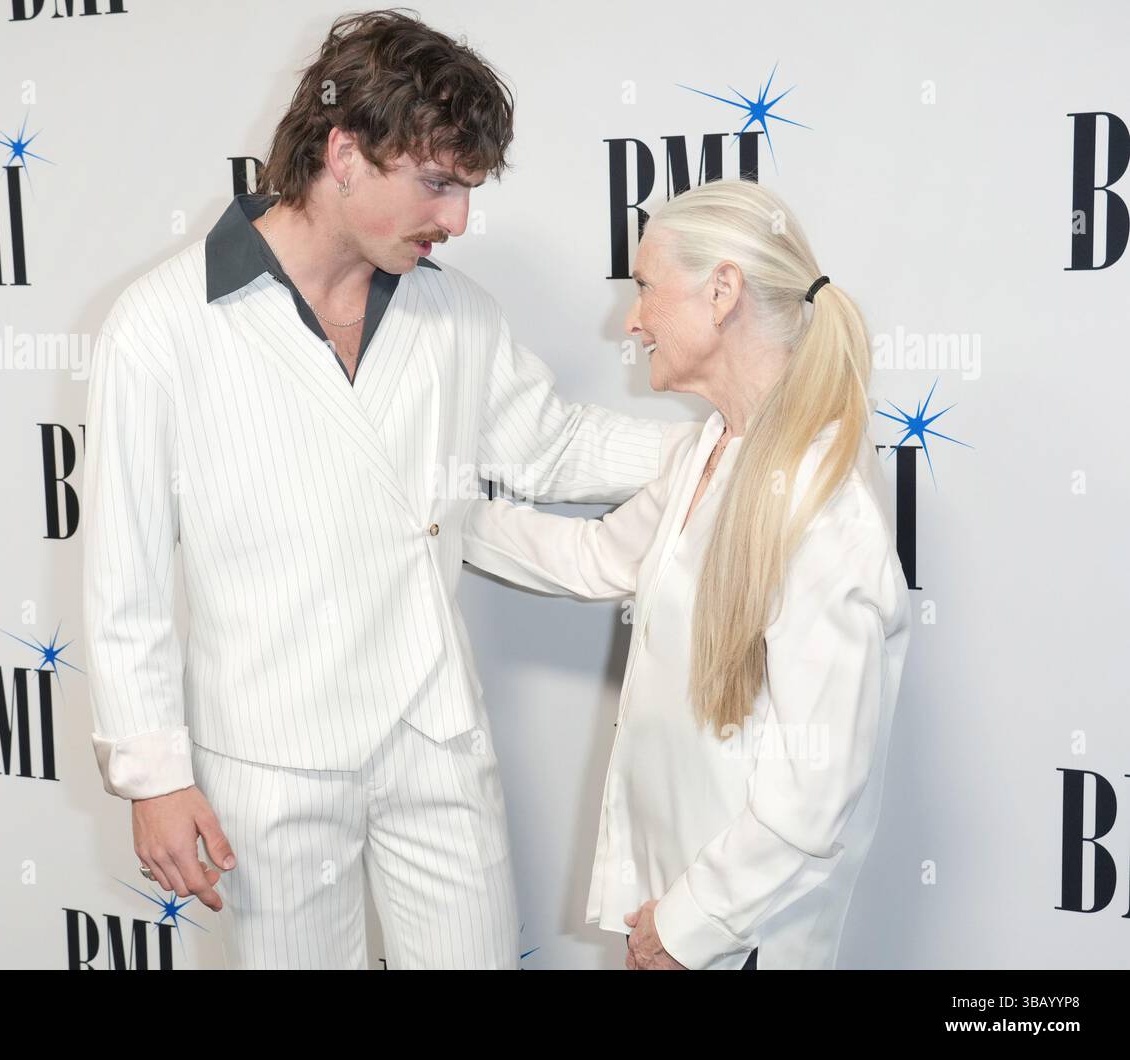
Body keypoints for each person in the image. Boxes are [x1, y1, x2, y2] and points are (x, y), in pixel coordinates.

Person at [80, 9, 693, 969]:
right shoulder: (160, 326)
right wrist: (153, 776)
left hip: (433, 730)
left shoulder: (453, 311)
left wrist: (737, 447)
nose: (456, 221)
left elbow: (554, 445)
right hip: (270, 756)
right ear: (344, 151)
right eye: (438, 184)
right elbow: (125, 575)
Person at [461, 179, 912, 970]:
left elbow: (813, 798)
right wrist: (438, 519)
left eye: (643, 287)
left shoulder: (826, 511)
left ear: (722, 290)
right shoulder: (713, 449)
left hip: (741, 936)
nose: (629, 320)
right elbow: (597, 556)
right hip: (680, 919)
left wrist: (691, 924)